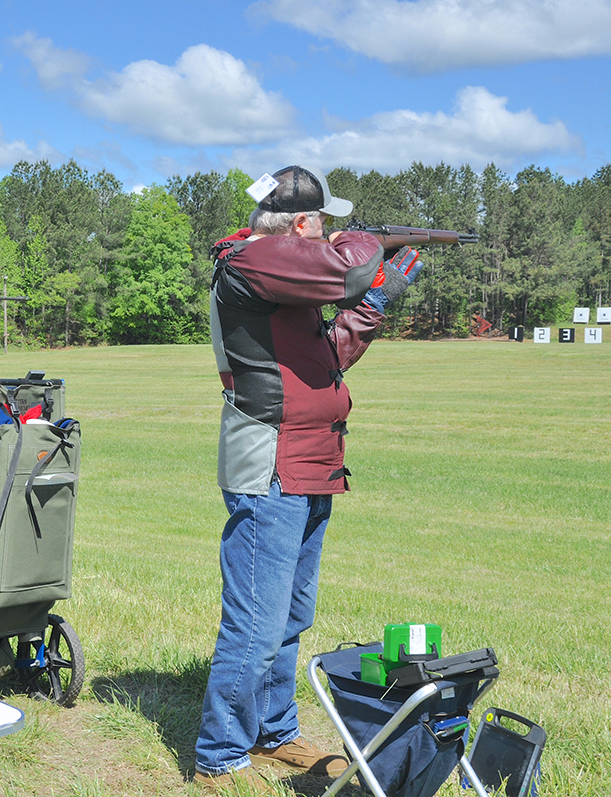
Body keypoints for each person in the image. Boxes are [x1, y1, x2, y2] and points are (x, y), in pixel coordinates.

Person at [195, 165, 423, 792]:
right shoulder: (252, 262)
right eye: (324, 221)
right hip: (271, 464)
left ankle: (273, 731)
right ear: (300, 224)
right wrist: (372, 242)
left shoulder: (275, 276)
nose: (330, 231)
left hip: (311, 462)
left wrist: (375, 304)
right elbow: (347, 269)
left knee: (291, 616)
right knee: (256, 622)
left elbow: (325, 357)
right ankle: (221, 755)